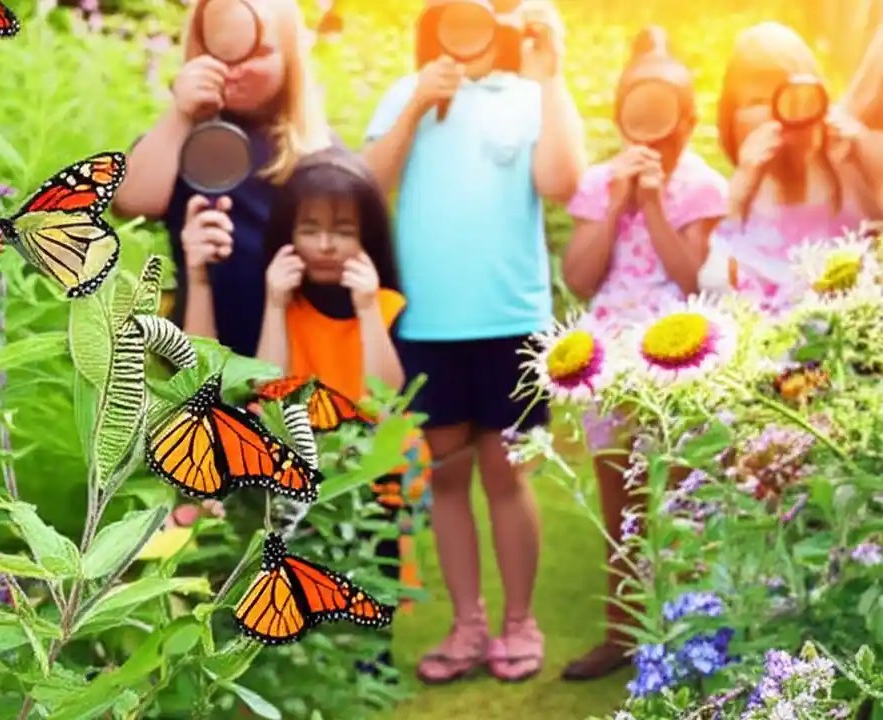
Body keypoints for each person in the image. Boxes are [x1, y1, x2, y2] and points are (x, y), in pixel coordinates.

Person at [362, 0, 586, 684]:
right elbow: (368, 186)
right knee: (448, 480)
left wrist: (551, 75)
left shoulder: (530, 95)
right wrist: (415, 107)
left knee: (508, 476)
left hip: (512, 321)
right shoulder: (409, 87)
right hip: (427, 323)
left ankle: (520, 623)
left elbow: (563, 183)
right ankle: (468, 626)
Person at [557, 27, 728, 681]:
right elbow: (578, 274)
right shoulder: (601, 182)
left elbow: (691, 277)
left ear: (687, 120)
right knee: (620, 507)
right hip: (610, 364)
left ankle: (685, 637)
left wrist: (654, 202)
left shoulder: (703, 187)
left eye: (666, 119)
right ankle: (623, 635)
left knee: (681, 502)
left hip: (679, 363)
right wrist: (619, 200)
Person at [254, 147, 428, 674]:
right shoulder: (288, 308)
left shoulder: (387, 305)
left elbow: (386, 395)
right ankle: (312, 664)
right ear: (288, 234)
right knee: (308, 571)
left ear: (367, 238)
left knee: (373, 575)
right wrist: (274, 304)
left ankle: (373, 664)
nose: (326, 245)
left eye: (343, 230)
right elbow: (268, 390)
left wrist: (367, 307)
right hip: (306, 470)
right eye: (310, 229)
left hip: (374, 476)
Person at [111, 0, 333, 357]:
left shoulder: (312, 148)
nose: (236, 69)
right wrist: (180, 115)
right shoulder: (183, 137)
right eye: (222, 53)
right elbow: (131, 202)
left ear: (290, 57)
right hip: (200, 346)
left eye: (258, 52)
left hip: (293, 352)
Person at [710, 22, 883, 315]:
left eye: (787, 96)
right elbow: (714, 282)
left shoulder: (846, 160)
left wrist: (864, 148)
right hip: (773, 335)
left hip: (849, 321)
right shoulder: (740, 193)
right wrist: (740, 189)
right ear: (731, 118)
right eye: (755, 102)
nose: (775, 112)